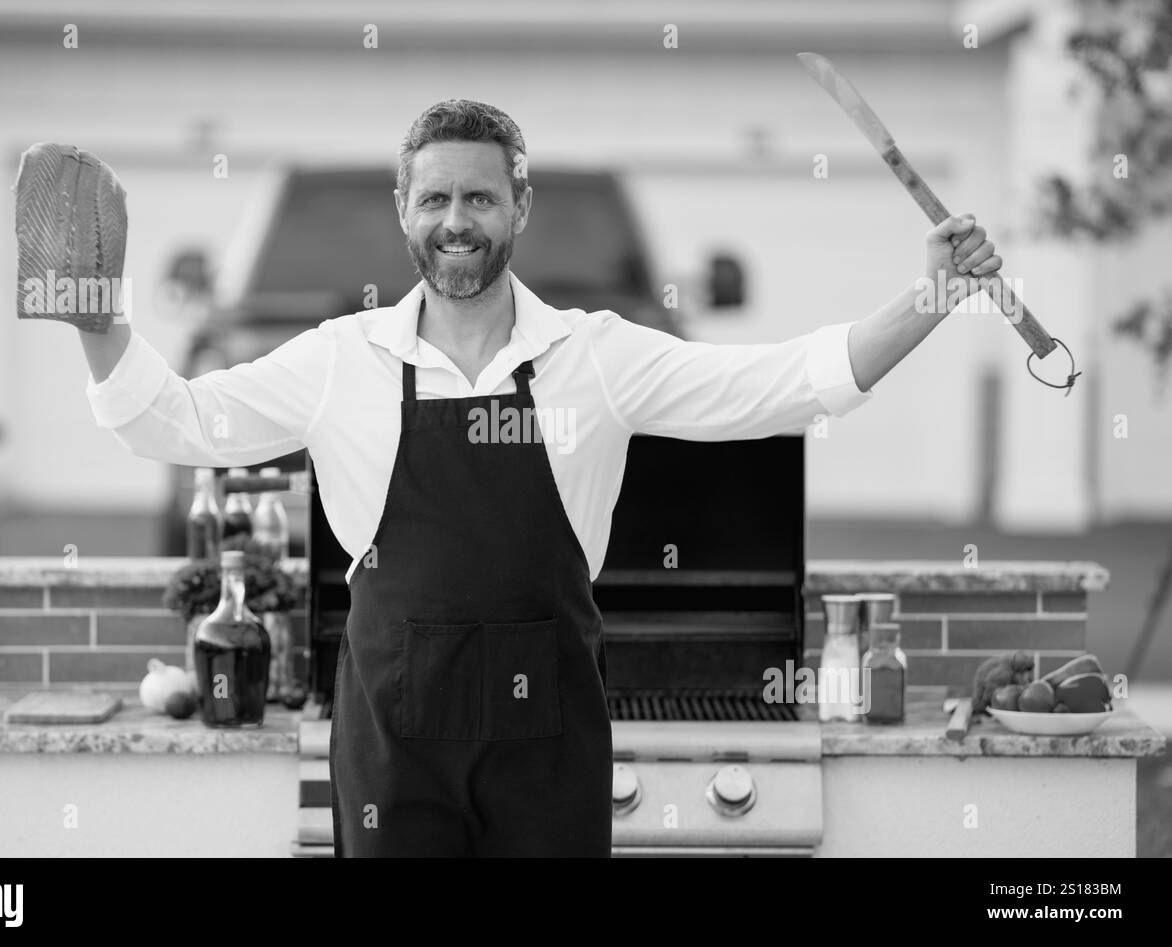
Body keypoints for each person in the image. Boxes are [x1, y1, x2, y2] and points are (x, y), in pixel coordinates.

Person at [77, 99, 1001, 857]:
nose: (455, 222)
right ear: (403, 209)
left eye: (479, 199)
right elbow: (176, 421)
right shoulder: (339, 361)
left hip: (547, 747)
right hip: (394, 749)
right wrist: (96, 320)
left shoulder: (592, 354)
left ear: (520, 207)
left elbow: (786, 384)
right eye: (434, 198)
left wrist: (930, 297)